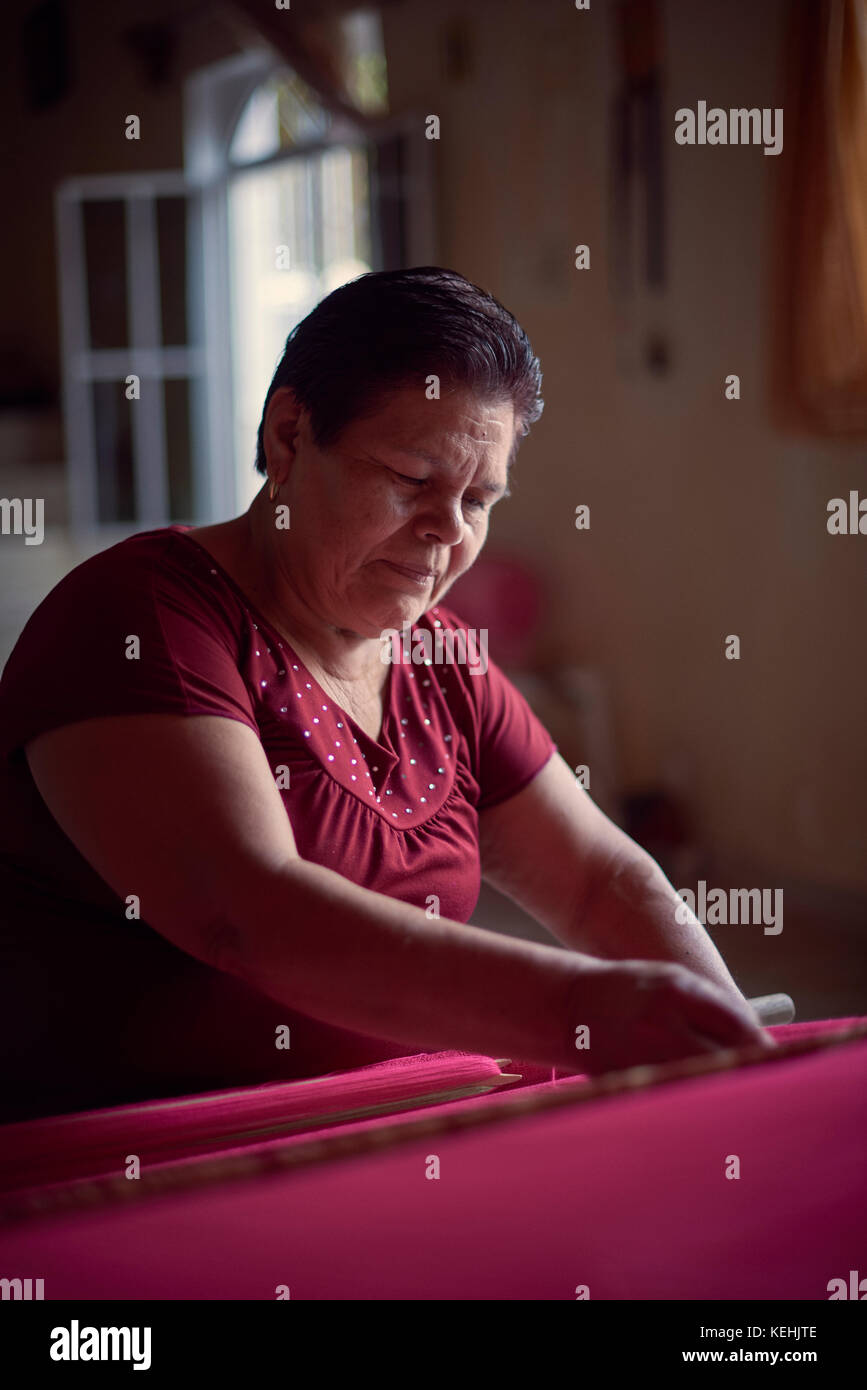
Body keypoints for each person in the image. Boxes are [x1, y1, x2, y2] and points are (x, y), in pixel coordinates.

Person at [0, 267, 771, 1122]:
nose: (448, 530)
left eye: (478, 500)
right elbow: (249, 913)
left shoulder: (441, 656)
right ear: (289, 437)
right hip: (143, 1162)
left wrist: (730, 1051)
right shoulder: (143, 614)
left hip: (390, 1125)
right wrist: (581, 1012)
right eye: (410, 480)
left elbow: (595, 878)